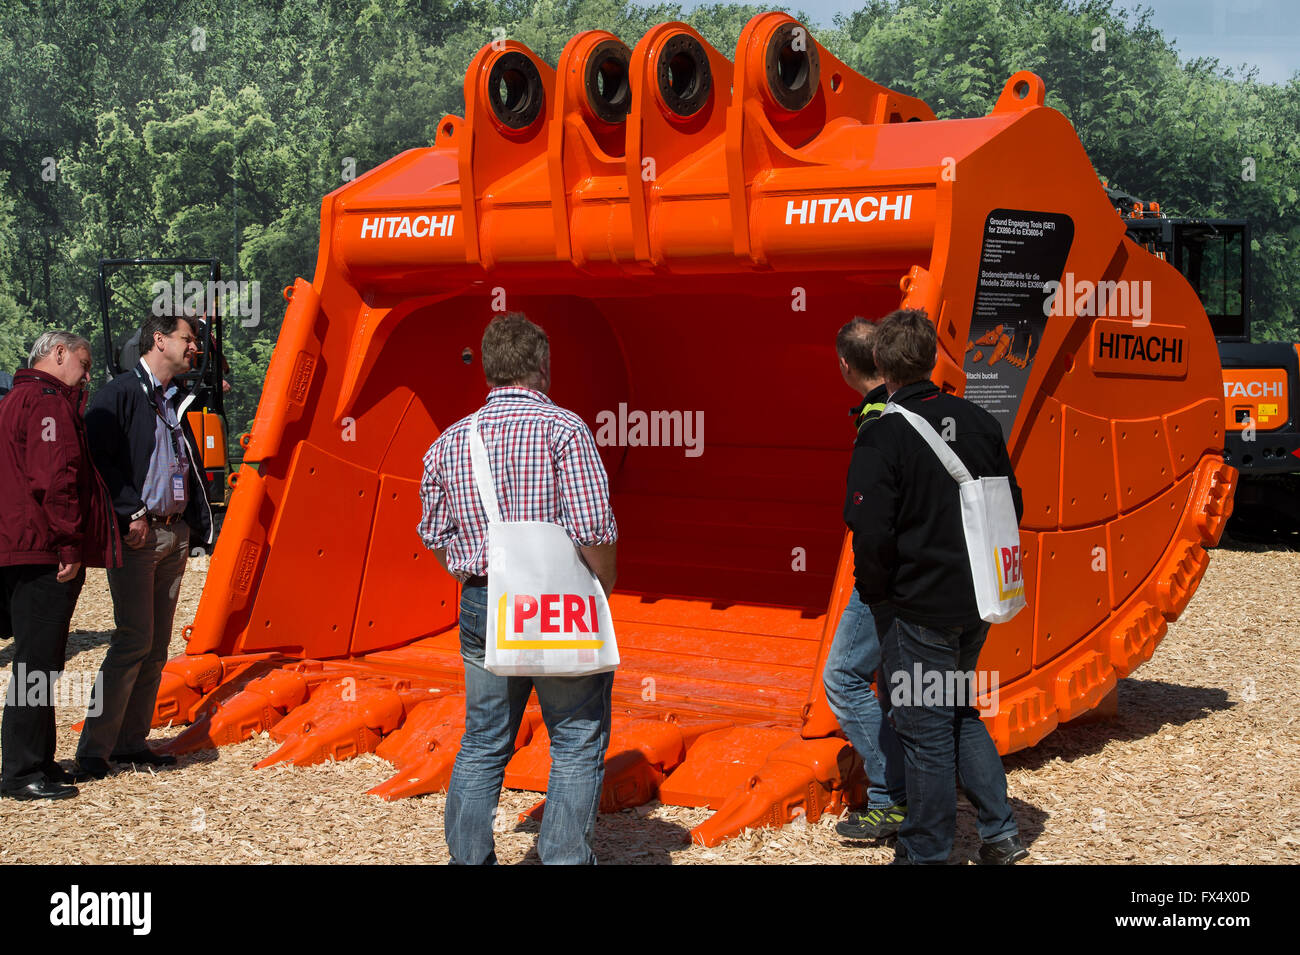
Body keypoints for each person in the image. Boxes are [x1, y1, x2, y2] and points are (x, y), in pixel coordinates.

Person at [418, 313, 618, 865]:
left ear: (488, 369)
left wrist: (471, 573)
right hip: (558, 601)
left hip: (484, 598)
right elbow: (593, 527)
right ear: (541, 365)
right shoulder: (565, 429)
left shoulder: (450, 441)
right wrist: (607, 578)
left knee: (483, 743)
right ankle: (563, 858)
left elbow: (433, 532)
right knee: (576, 740)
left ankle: (469, 858)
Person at [845, 308, 1028, 865]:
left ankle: (924, 852)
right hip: (977, 599)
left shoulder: (882, 433)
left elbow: (869, 528)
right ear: (932, 359)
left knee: (924, 733)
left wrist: (877, 595)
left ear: (880, 362)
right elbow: (1010, 505)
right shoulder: (980, 421)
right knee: (954, 710)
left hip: (915, 607)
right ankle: (999, 833)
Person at [74, 312, 212, 778]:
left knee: (155, 646)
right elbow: (97, 459)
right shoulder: (119, 394)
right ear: (159, 340)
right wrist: (128, 511)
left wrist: (189, 526)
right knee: (133, 639)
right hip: (140, 533)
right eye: (188, 339)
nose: (195, 347)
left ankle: (131, 742)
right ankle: (94, 750)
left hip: (173, 534)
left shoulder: (175, 398)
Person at [0, 331, 121, 799]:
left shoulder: (14, 399)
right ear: (58, 354)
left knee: (39, 662)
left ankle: (39, 761)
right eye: (84, 364)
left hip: (19, 545)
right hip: (43, 550)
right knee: (37, 664)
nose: (87, 376)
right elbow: (57, 478)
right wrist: (69, 544)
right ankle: (21, 771)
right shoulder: (49, 403)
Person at [825, 318, 908, 839]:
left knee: (844, 677)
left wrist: (872, 579)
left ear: (845, 367)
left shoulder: (877, 420)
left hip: (883, 573)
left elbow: (872, 512)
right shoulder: (921, 405)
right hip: (925, 571)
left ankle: (890, 795)